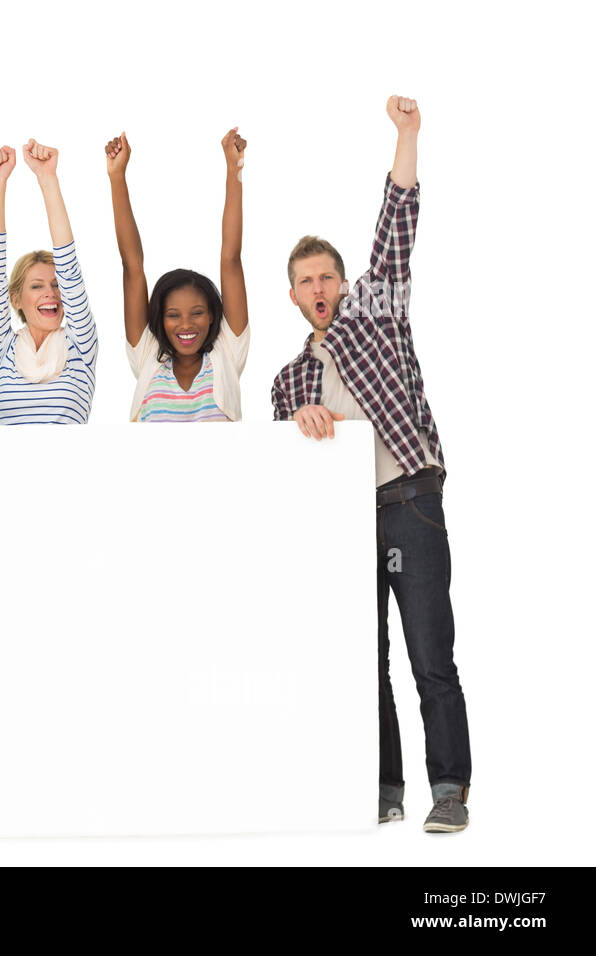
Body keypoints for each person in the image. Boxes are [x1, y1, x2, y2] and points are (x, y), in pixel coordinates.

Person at [271, 96, 471, 833]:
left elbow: (397, 226)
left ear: (345, 284)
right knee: (365, 661)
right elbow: (280, 469)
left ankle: (448, 787)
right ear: (292, 295)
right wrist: (298, 421)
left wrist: (406, 134)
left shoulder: (375, 316)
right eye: (306, 280)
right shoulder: (287, 381)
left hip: (409, 498)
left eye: (329, 276)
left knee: (429, 655)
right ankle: (384, 787)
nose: (319, 289)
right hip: (342, 521)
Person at [106, 129, 250, 422]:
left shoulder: (226, 353)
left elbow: (231, 260)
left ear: (212, 316)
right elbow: (132, 268)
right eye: (173, 315)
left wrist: (233, 168)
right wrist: (117, 176)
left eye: (197, 312)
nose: (186, 324)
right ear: (159, 318)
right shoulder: (147, 355)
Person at [0, 140, 98, 424]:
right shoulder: (3, 348)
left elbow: (69, 268)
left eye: (57, 285)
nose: (51, 293)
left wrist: (47, 178)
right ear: (16, 299)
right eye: (37, 286)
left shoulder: (80, 344)